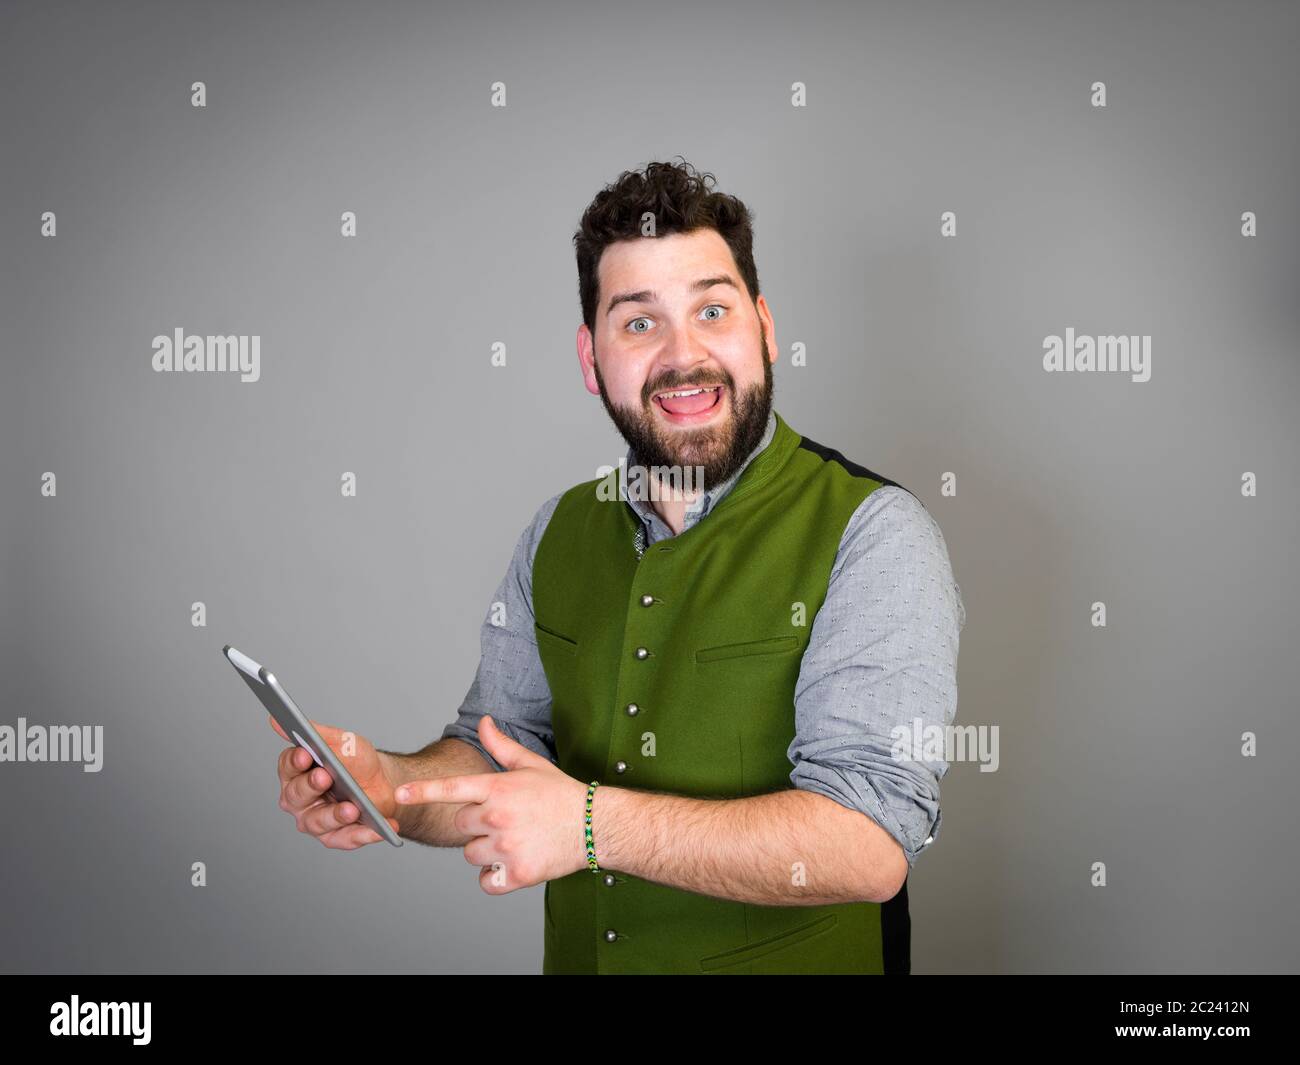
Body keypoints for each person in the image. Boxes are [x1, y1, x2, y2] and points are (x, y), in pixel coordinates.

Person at [273, 158, 966, 974]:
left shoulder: (876, 534)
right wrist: (391, 785)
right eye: (639, 323)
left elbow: (868, 840)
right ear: (590, 357)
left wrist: (591, 825)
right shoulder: (556, 530)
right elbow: (501, 751)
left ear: (766, 327)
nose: (685, 356)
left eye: (713, 309)